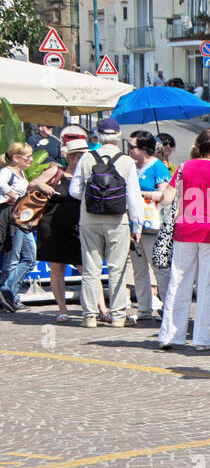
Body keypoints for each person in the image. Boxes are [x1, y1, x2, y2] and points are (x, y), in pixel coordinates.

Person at [158, 127, 210, 350]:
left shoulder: (183, 167)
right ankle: (202, 338)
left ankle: (170, 334)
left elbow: (167, 199)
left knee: (178, 282)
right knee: (208, 285)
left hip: (184, 230)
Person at [67, 119, 145, 327]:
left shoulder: (86, 158)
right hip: (117, 220)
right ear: (118, 137)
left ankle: (89, 316)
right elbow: (134, 198)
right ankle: (118, 316)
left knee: (91, 268)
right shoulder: (126, 161)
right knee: (117, 268)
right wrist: (137, 226)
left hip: (89, 218)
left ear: (99, 136)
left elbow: (73, 191)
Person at [36, 137, 89, 321]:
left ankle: (97, 309)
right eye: (81, 156)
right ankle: (62, 310)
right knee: (57, 270)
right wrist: (41, 184)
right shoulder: (56, 171)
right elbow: (32, 184)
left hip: (77, 227)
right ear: (73, 157)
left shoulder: (87, 175)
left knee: (87, 269)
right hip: (52, 226)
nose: (84, 159)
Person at [1, 143, 58, 313]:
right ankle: (8, 294)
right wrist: (12, 194)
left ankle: (8, 293)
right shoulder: (7, 171)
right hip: (12, 217)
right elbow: (1, 183)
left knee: (27, 258)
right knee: (17, 259)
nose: (31, 160)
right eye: (27, 157)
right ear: (16, 158)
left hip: (21, 218)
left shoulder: (21, 173)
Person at [128, 130, 173, 323]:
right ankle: (144, 306)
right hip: (133, 224)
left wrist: (140, 194)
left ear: (143, 149)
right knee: (138, 268)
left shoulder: (158, 167)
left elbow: (164, 196)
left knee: (158, 267)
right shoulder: (130, 166)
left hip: (153, 224)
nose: (129, 150)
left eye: (132, 147)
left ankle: (168, 305)